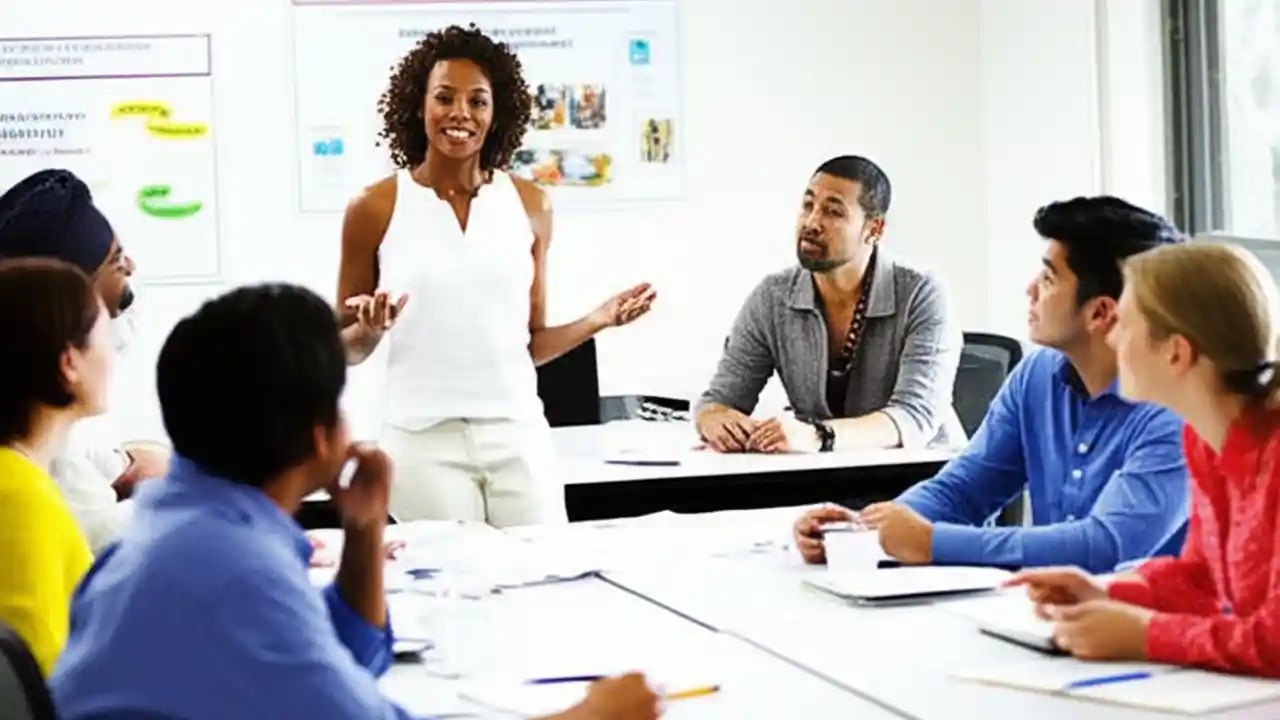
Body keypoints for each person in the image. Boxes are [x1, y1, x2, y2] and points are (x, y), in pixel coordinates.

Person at [51, 283, 662, 719]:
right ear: (321, 433)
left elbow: (345, 658)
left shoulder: (177, 532)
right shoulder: (233, 572)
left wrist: (363, 530)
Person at [338, 24, 654, 526]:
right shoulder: (375, 207)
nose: (460, 113)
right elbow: (345, 347)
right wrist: (370, 329)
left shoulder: (531, 205)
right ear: (419, 105)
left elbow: (529, 344)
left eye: (477, 101)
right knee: (457, 590)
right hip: (422, 440)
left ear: (496, 112)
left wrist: (599, 319)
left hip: (518, 434)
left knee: (544, 581)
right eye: (445, 97)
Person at [793, 196, 1189, 572]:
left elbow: (1105, 546)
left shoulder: (1177, 409)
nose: (1030, 289)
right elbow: (964, 488)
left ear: (1100, 312)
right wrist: (866, 529)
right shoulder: (1037, 377)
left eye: (1049, 279)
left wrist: (931, 542)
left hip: (1156, 633)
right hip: (1055, 616)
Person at [1009, 243, 1280, 676]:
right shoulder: (1204, 439)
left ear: (1176, 351)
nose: (1111, 337)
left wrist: (1146, 635)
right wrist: (1108, 591)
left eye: (1124, 323)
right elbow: (1202, 577)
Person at [696, 155, 963, 454]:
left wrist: (820, 435)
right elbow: (722, 398)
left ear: (874, 230)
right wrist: (713, 418)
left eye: (833, 212)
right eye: (808, 206)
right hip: (824, 479)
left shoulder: (923, 293)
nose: (811, 223)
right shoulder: (773, 296)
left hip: (921, 481)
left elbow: (914, 416)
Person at [0, 168, 169, 552]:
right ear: (68, 358)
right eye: (115, 261)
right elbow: (104, 538)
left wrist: (125, 461)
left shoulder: (40, 431)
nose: (130, 269)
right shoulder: (39, 477)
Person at [0, 259, 110, 675]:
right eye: (103, 336)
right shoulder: (23, 498)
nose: (112, 355)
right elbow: (35, 681)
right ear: (70, 363)